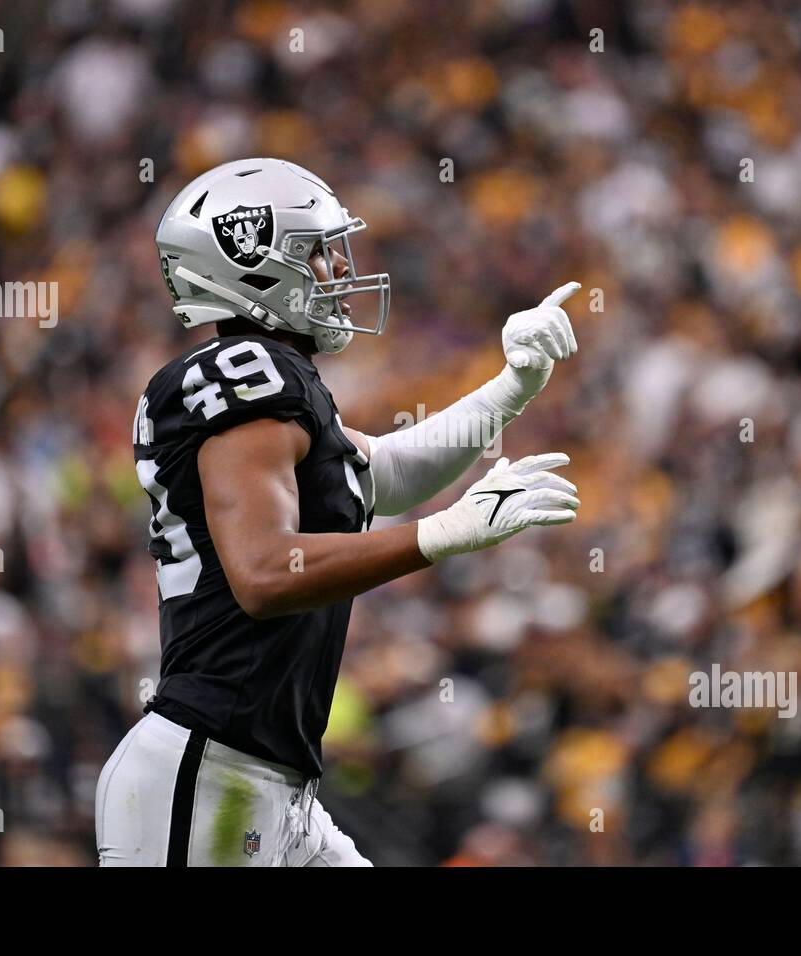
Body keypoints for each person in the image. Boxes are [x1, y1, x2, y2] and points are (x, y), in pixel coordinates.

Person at [95, 158, 583, 866]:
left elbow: (380, 471)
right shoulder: (242, 379)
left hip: (267, 783)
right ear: (248, 260)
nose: (336, 270)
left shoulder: (280, 382)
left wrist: (513, 387)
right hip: (211, 779)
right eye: (317, 251)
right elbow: (264, 572)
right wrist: (442, 535)